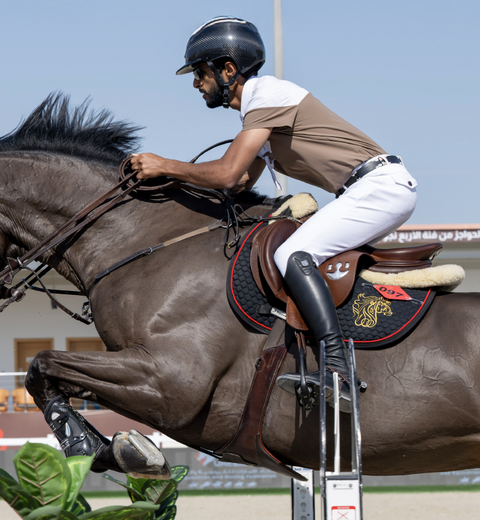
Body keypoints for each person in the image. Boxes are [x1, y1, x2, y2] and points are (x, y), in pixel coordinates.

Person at [129, 17, 418, 410]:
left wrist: (166, 165)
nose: (196, 83)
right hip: (369, 189)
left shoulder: (267, 95)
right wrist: (164, 188)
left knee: (291, 255)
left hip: (378, 188)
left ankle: (337, 369)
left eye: (200, 72)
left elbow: (227, 172)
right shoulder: (258, 113)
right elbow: (238, 183)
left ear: (228, 69)